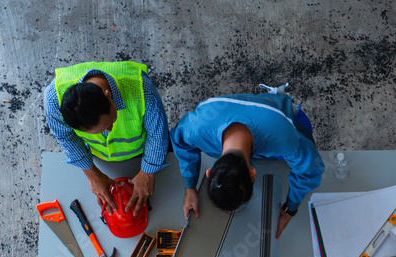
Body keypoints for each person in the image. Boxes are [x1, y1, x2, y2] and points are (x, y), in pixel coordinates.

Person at [170, 85, 324, 238]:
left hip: (290, 120)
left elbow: (311, 169)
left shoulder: (283, 139)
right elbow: (179, 141)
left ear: (252, 174)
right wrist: (190, 188)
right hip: (254, 127)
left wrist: (290, 208)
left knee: (295, 159)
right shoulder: (196, 128)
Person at [44, 60, 169, 213]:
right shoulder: (54, 100)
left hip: (141, 154)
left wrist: (147, 173)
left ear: (108, 95)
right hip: (101, 160)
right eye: (98, 131)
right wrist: (92, 174)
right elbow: (67, 139)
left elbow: (158, 135)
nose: (110, 131)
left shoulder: (142, 90)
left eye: (109, 122)